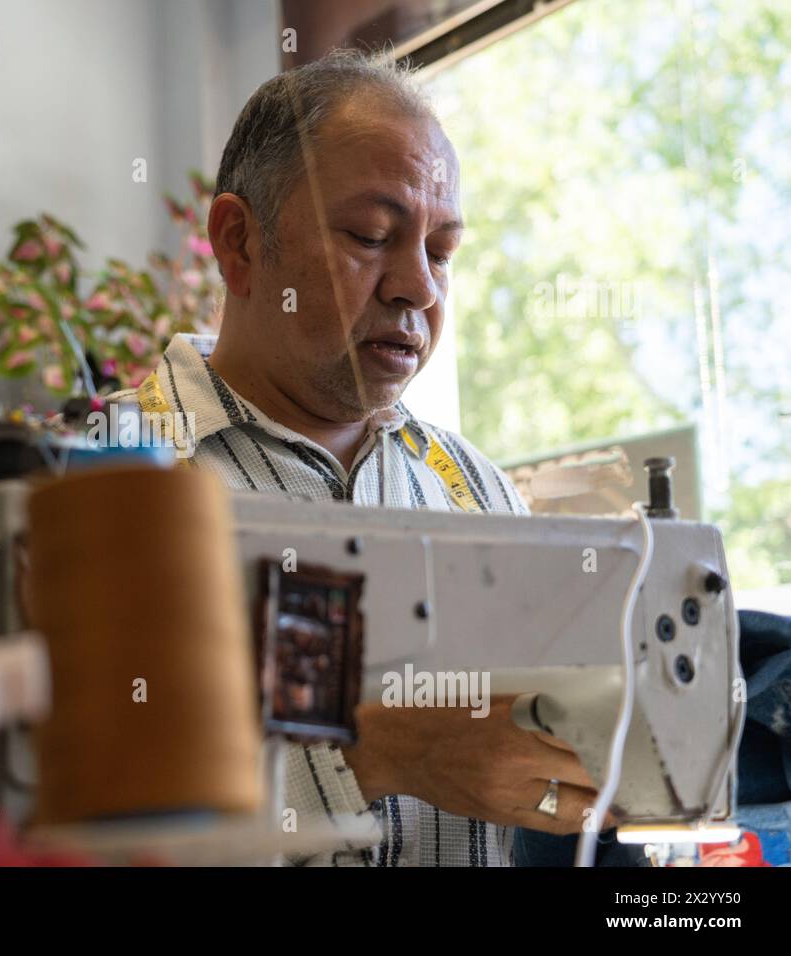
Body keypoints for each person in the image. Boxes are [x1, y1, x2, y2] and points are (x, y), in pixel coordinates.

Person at [114, 51, 602, 866]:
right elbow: (77, 815)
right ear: (239, 243)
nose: (418, 287)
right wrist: (369, 753)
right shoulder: (109, 488)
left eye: (441, 251)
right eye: (371, 235)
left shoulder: (476, 491)